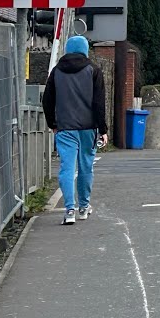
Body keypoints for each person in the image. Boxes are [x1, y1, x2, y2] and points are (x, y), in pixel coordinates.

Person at [42, 35, 109, 225]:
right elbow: (98, 104)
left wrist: (53, 124)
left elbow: (47, 100)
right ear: (85, 49)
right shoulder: (94, 71)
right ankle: (84, 207)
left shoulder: (56, 72)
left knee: (67, 167)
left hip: (65, 127)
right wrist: (102, 129)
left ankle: (69, 209)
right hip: (88, 128)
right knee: (86, 166)